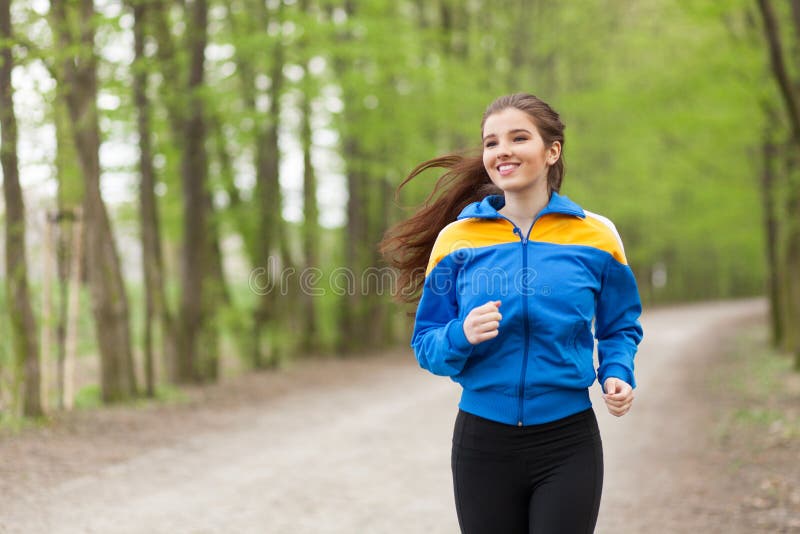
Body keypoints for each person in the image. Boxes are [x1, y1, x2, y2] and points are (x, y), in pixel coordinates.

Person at [379, 93, 643, 533]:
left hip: (568, 440)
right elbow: (427, 346)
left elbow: (619, 325)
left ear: (551, 150)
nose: (502, 150)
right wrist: (461, 333)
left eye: (518, 138)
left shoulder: (596, 235)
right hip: (483, 441)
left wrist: (617, 370)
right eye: (491, 142)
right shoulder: (456, 239)